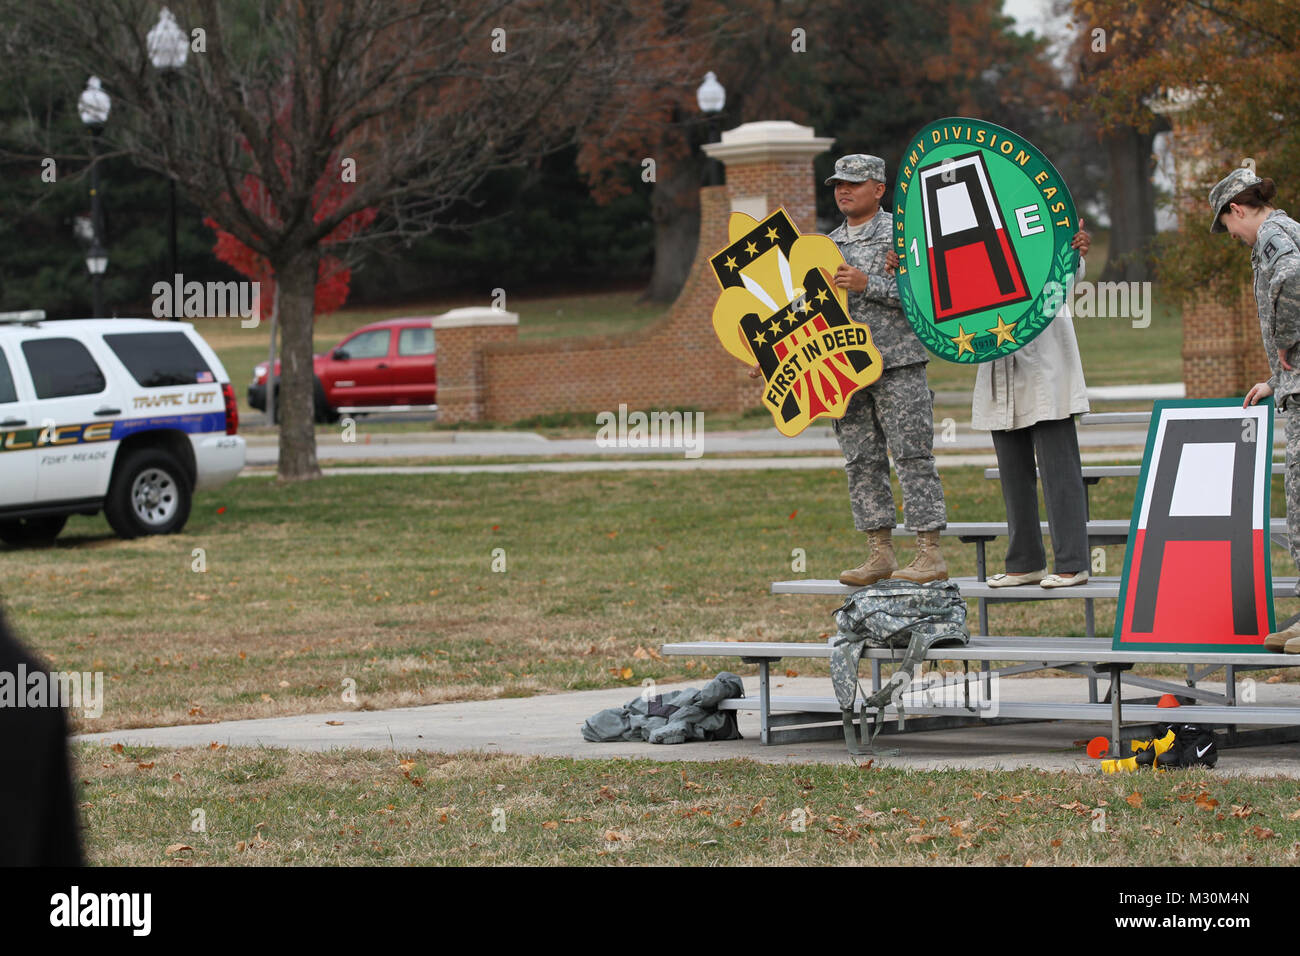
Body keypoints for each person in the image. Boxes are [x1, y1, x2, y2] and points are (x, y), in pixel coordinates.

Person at [823, 154, 948, 585]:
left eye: (854, 183)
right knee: (861, 460)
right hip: (846, 371)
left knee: (912, 455)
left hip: (898, 363)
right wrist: (775, 361)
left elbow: (928, 293)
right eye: (839, 184)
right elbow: (811, 310)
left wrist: (868, 284)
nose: (843, 190)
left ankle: (929, 552)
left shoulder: (904, 232)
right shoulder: (826, 245)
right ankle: (880, 552)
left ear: (879, 189)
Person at [974, 223, 1095, 589]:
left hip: (1048, 366)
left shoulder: (1036, 223)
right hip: (996, 360)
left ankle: (1072, 563)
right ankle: (1025, 561)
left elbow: (1064, 278)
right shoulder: (976, 236)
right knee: (1013, 474)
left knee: (1060, 472)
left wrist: (1075, 250)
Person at [1214, 168, 1300, 652]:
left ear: (1238, 209)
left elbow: (1293, 277)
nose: (1234, 238)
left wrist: (1289, 339)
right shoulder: (1285, 231)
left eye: (1229, 227)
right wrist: (1277, 380)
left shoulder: (1272, 235)